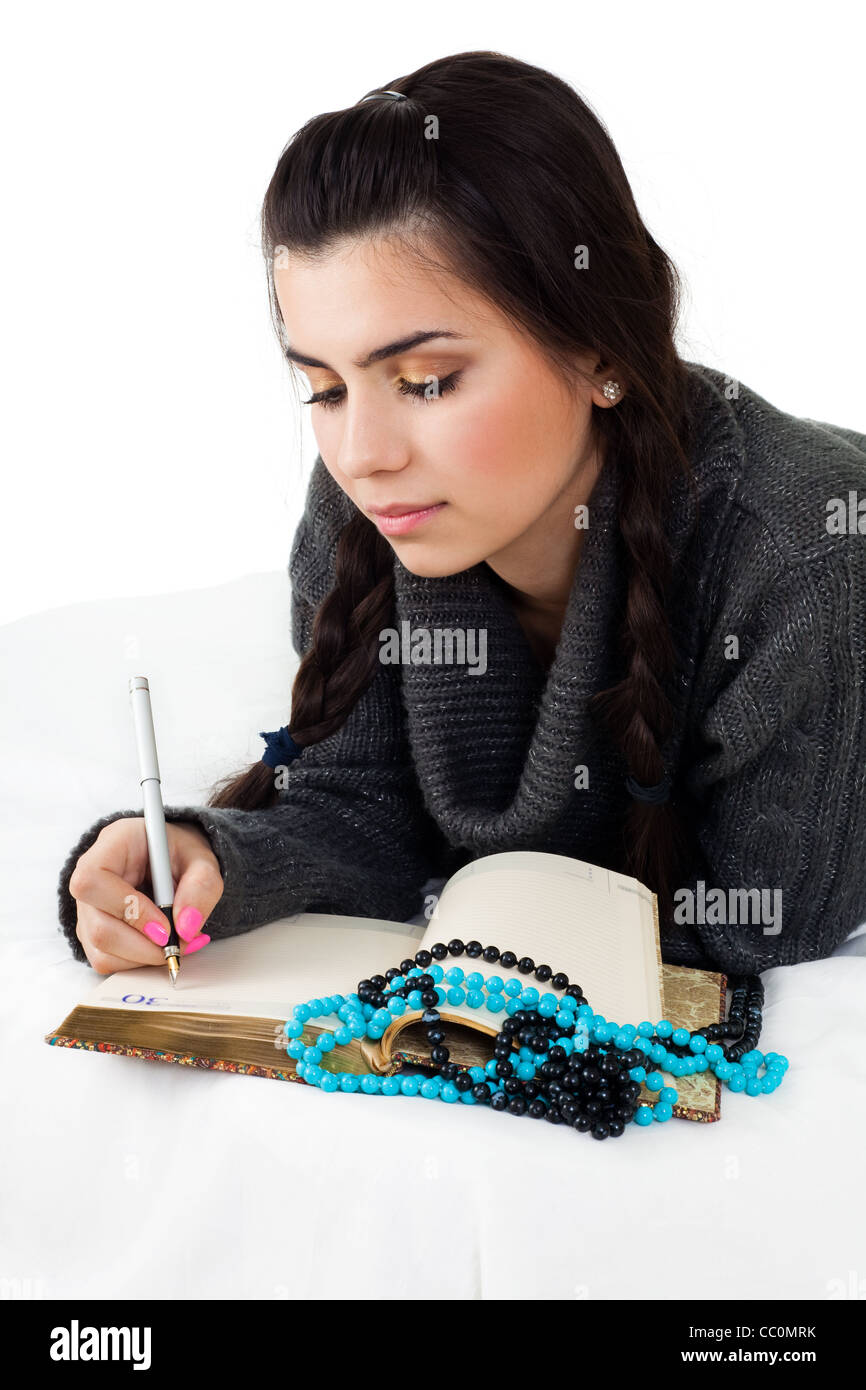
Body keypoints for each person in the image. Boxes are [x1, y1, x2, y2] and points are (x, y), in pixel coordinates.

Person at [57, 50, 866, 980]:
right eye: (325, 388)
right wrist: (215, 864)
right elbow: (362, 806)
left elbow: (766, 919)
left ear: (600, 347)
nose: (363, 455)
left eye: (427, 381)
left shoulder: (811, 558)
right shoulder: (363, 510)